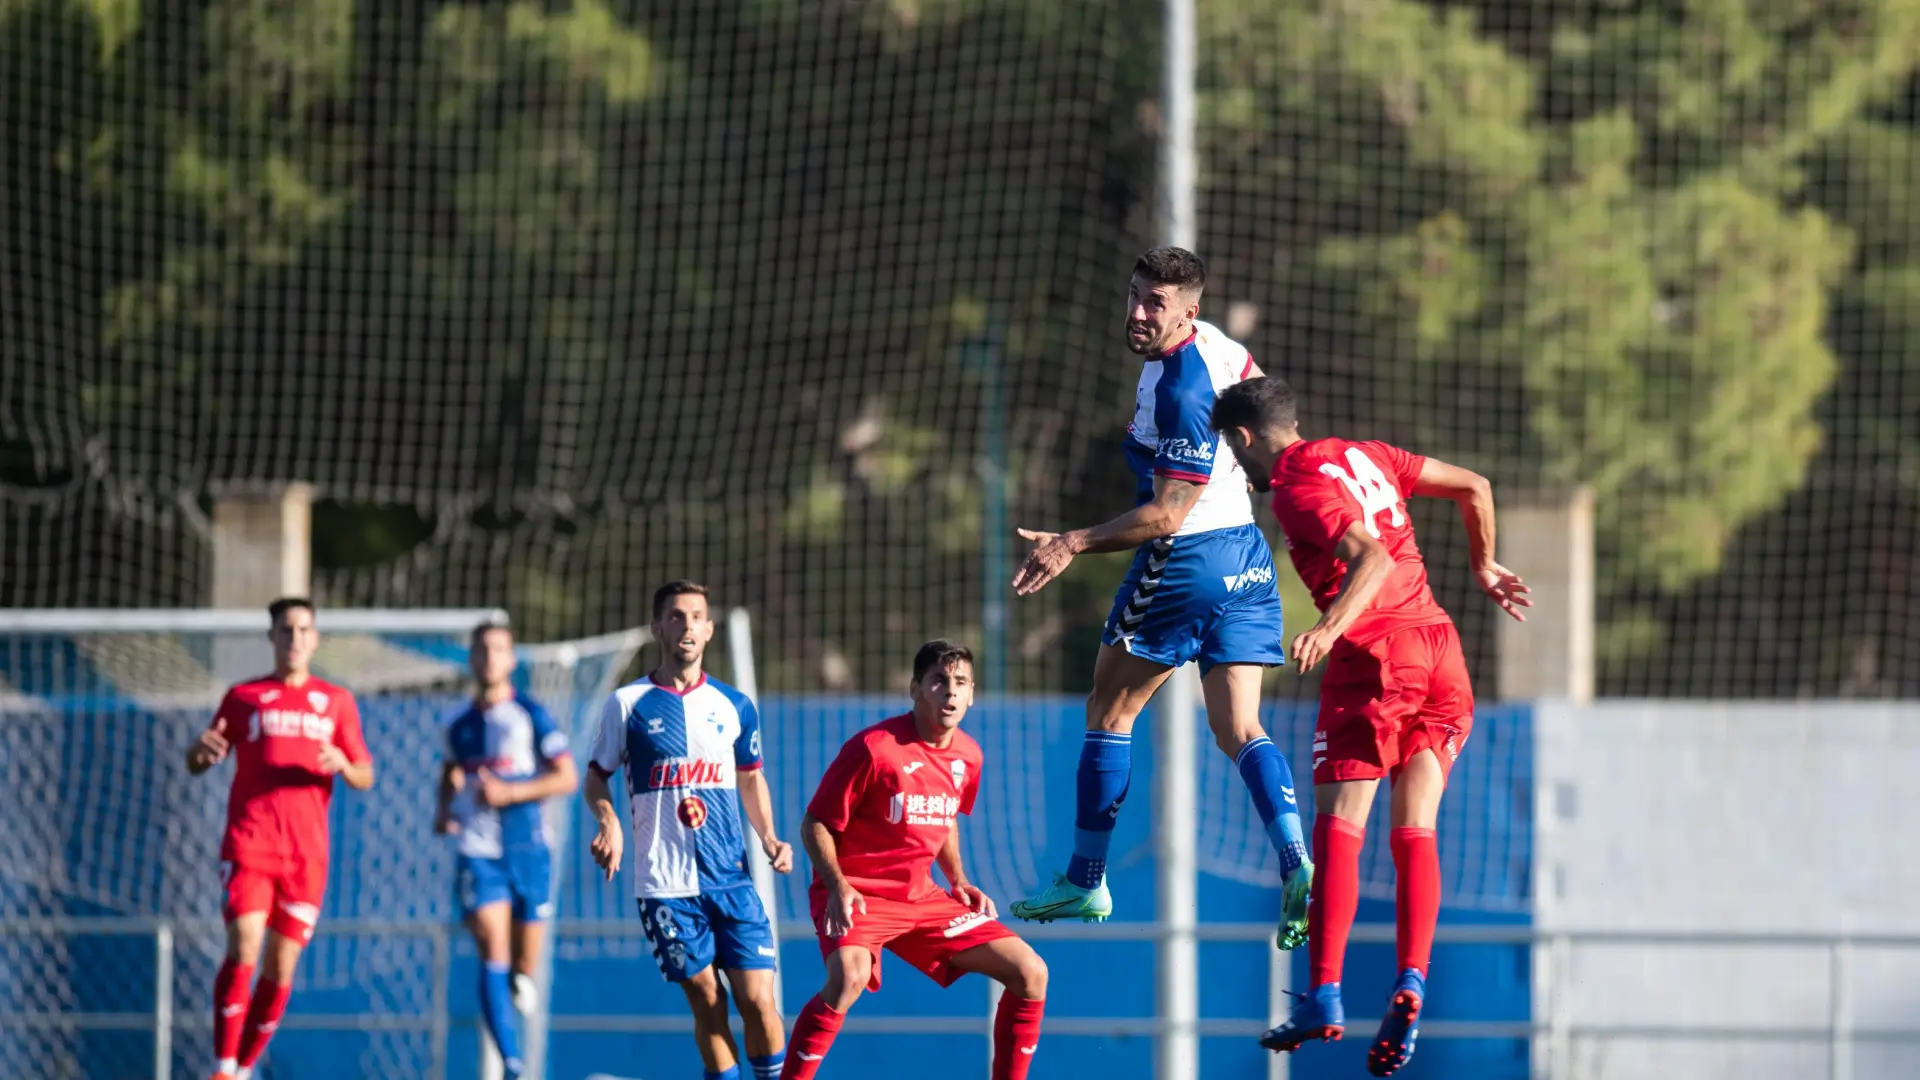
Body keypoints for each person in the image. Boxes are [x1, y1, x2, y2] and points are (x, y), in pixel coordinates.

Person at [1208, 375, 1531, 1076]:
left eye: (1233, 454)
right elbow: (1474, 484)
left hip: (1376, 656)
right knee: (1416, 827)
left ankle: (1323, 991)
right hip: (1441, 651)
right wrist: (1482, 565)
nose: (1238, 467)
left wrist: (1328, 628)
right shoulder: (1368, 454)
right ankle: (1410, 980)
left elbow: (1373, 558)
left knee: (1341, 824)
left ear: (1242, 440)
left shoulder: (1296, 486)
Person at [1008, 246, 1311, 950]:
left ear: (1188, 313)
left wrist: (1072, 542)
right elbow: (1267, 406)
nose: (1140, 313)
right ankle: (1295, 856)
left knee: (1109, 709)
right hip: (1246, 557)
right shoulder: (1223, 346)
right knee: (1238, 727)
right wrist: (1268, 473)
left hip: (1188, 561)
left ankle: (1086, 879)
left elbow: (1169, 515)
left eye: (1157, 304)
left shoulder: (1180, 390)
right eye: (1136, 296)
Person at [781, 639, 1047, 1080]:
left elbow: (944, 817)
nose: (950, 692)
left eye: (960, 682)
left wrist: (958, 879)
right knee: (848, 978)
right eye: (939, 681)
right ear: (915, 689)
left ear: (973, 693)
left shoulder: (969, 755)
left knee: (1030, 972)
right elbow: (815, 824)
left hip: (921, 898)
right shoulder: (875, 748)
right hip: (857, 893)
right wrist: (837, 885)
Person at [584, 580, 793, 1080]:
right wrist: (609, 820)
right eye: (675, 616)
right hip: (666, 886)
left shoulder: (733, 705)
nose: (687, 626)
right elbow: (596, 776)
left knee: (760, 1000)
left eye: (696, 616)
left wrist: (768, 836)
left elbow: (750, 777)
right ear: (658, 627)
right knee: (707, 1000)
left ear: (710, 630)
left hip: (731, 879)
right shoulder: (628, 704)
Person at [186, 597, 376, 1080]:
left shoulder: (335, 702)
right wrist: (199, 753)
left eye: (303, 629)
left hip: (306, 854)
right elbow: (203, 755)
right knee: (245, 942)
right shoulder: (244, 697)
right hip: (250, 842)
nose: (294, 638)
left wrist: (343, 764)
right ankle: (223, 1067)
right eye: (285, 630)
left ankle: (244, 1068)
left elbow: (366, 773)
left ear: (315, 639)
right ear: (271, 637)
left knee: (281, 965)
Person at [435, 621, 578, 1080]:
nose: (489, 658)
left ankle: (521, 980)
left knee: (522, 968)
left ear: (512, 660)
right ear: (472, 659)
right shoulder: (456, 724)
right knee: (491, 947)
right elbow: (450, 771)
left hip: (529, 849)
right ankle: (514, 1065)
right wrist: (444, 809)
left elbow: (567, 778)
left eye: (498, 649)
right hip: (478, 850)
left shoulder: (530, 715)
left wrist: (511, 793)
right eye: (481, 649)